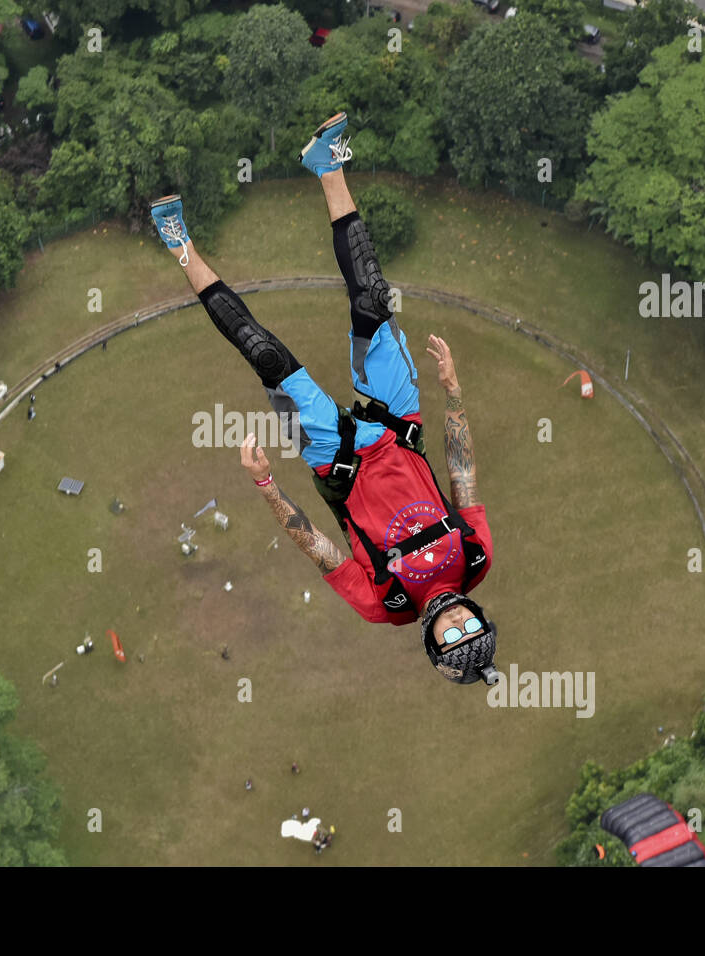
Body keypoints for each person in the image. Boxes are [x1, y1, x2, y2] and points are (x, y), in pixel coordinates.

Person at [149, 112, 499, 684]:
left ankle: (179, 243)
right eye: (471, 627)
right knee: (372, 298)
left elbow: (317, 546)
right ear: (480, 617)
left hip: (338, 460)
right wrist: (453, 393)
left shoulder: (382, 604)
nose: (457, 620)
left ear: (433, 645)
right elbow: (463, 478)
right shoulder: (475, 556)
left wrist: (266, 485)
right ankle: (327, 165)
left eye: (451, 637)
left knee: (265, 355)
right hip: (398, 426)